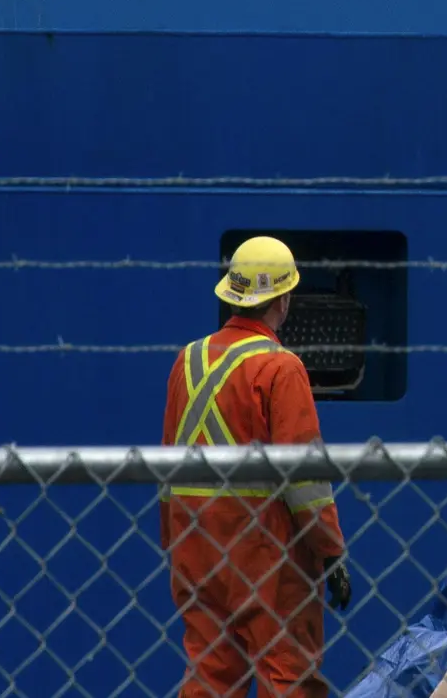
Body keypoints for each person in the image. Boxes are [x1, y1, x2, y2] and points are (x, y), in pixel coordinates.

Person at [163, 236, 353, 698]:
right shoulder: (280, 368)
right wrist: (330, 551)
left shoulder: (187, 360)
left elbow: (169, 462)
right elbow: (305, 477)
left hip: (195, 543)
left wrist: (174, 540)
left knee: (210, 675)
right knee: (287, 674)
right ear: (283, 300)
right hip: (266, 550)